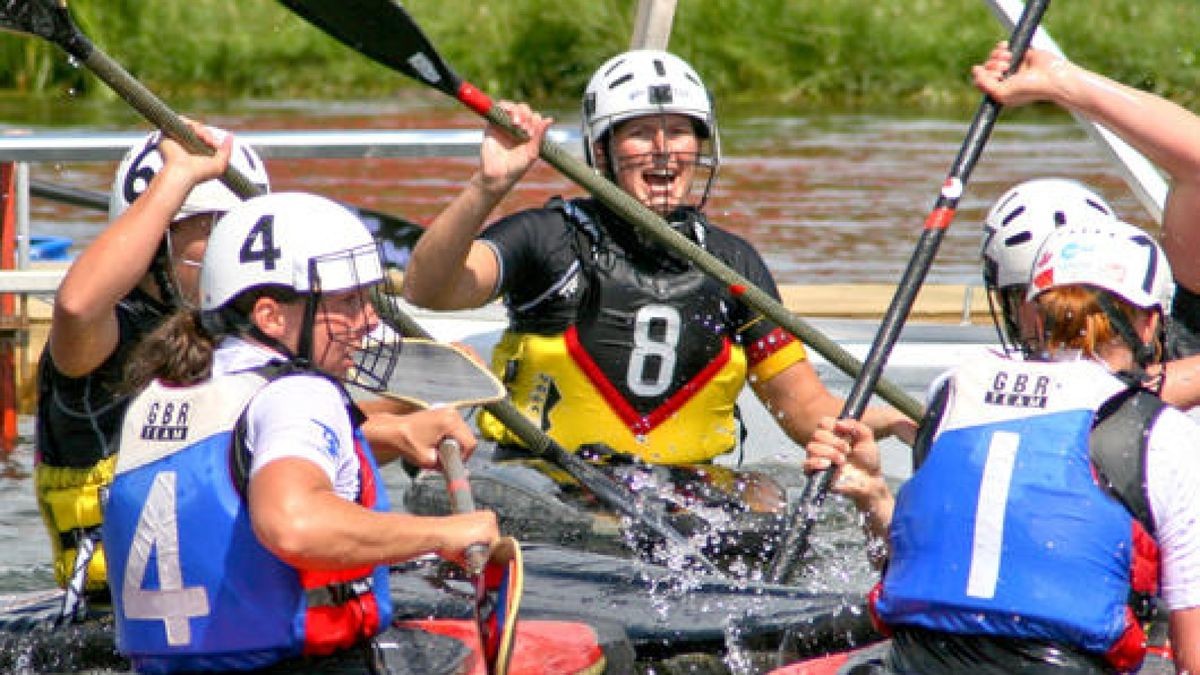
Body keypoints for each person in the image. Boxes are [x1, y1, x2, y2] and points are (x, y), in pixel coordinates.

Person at [402, 49, 912, 479]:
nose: (664, 151)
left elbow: (805, 411)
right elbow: (427, 290)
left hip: (682, 495)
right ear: (602, 152)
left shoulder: (733, 263)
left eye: (680, 133)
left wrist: (895, 420)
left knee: (765, 505)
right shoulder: (546, 238)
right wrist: (488, 186)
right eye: (642, 134)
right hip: (547, 483)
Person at [103, 192, 501, 672]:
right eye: (348, 302)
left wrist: (393, 432)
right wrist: (443, 533)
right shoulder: (301, 393)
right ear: (270, 316)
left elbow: (239, 466)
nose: (370, 320)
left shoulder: (171, 386)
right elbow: (293, 525)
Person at [802, 220, 1200, 673]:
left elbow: (920, 567)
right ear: (1150, 326)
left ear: (1037, 315)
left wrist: (874, 496)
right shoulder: (1164, 434)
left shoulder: (952, 391)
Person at [34, 125, 269, 599]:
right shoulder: (103, 341)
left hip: (220, 601)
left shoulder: (237, 330)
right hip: (111, 611)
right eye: (213, 229)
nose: (231, 250)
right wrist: (177, 177)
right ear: (157, 237)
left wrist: (405, 425)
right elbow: (77, 307)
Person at [972, 41, 1200, 406]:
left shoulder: (1181, 337)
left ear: (1147, 320)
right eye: (1050, 303)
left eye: (1091, 300)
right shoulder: (984, 390)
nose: (1072, 317)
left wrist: (1062, 81)